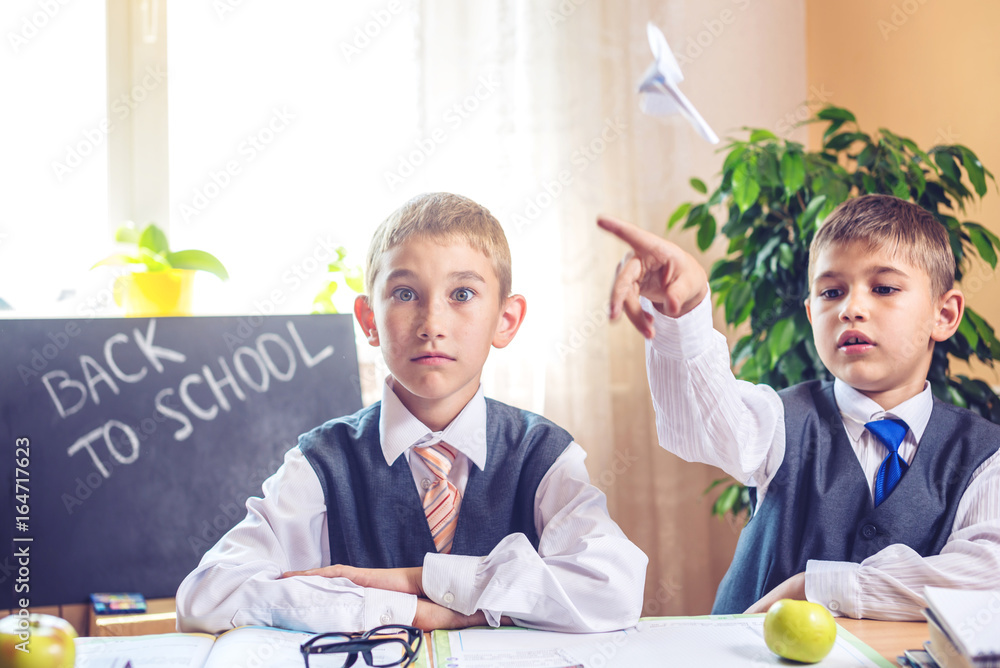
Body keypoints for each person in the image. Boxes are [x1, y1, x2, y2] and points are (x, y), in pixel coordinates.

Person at [176, 192, 647, 634]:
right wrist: (409, 613)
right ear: (368, 321)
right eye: (405, 294)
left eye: (462, 294)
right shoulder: (322, 462)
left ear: (506, 320)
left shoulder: (542, 453)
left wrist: (421, 580)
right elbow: (207, 596)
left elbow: (613, 588)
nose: (432, 325)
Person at [598, 193, 1000, 620]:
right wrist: (683, 313)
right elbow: (701, 425)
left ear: (945, 314)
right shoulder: (778, 420)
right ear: (811, 314)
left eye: (883, 288)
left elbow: (987, 574)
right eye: (831, 292)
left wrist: (820, 587)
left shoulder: (985, 455)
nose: (852, 309)